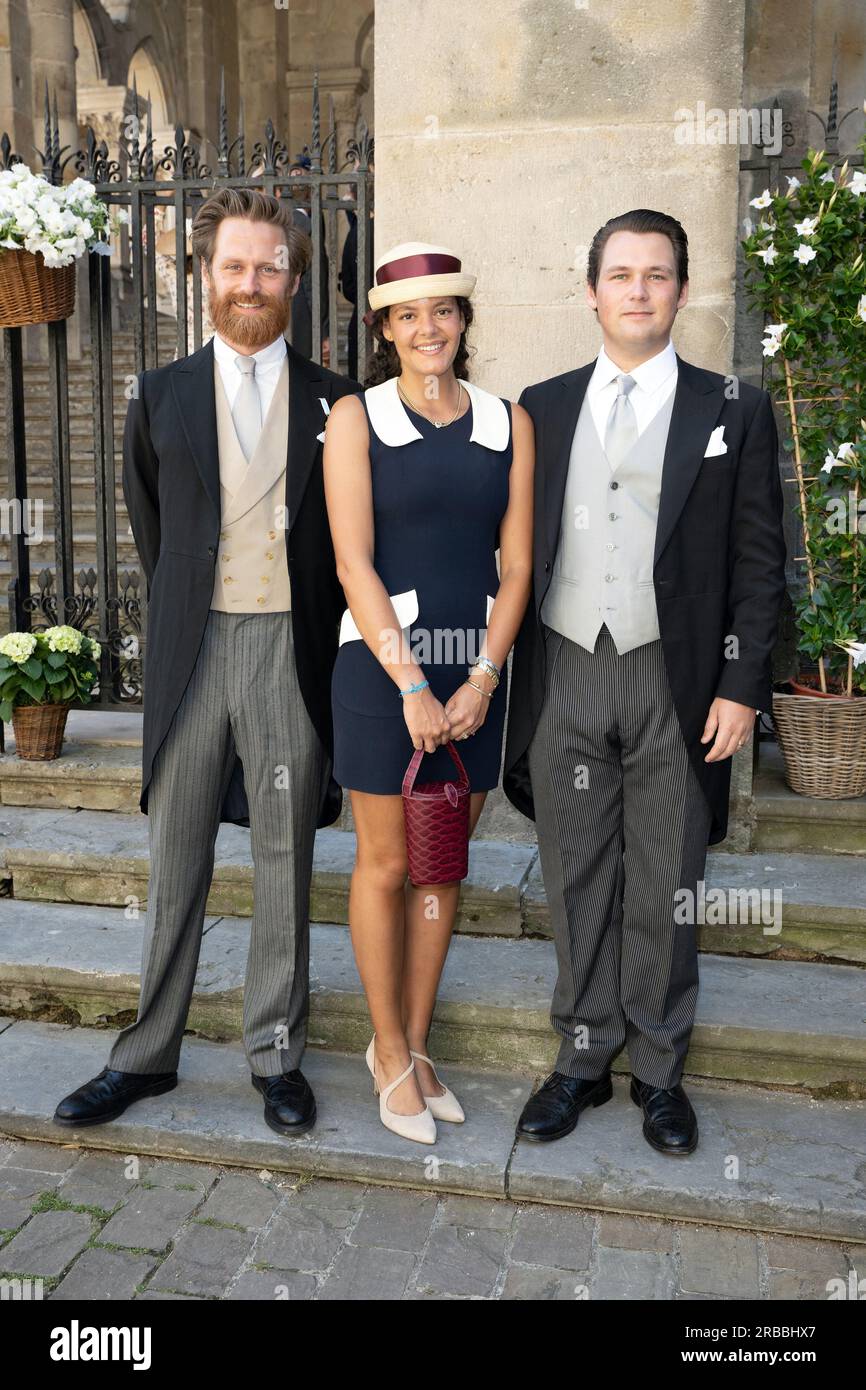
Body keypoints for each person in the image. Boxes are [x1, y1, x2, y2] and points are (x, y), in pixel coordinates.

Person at [53, 187, 360, 1139]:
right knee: (175, 850)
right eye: (234, 265)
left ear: (296, 282)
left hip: (291, 647)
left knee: (282, 854)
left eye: (271, 266)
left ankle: (276, 1055)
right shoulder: (162, 394)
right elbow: (155, 526)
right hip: (194, 650)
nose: (251, 283)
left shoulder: (335, 399)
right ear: (206, 275)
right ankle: (145, 1056)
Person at [503, 209, 786, 1155]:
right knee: (576, 872)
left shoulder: (733, 408)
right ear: (591, 292)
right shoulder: (538, 406)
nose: (637, 290)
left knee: (668, 881)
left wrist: (742, 687)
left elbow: (759, 558)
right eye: (620, 274)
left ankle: (660, 1071)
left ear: (681, 290)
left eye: (656, 275)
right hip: (568, 667)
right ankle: (582, 1059)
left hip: (679, 674)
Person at [323, 242, 534, 1143]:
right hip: (380, 669)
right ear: (384, 329)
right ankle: (386, 1049)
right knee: (386, 863)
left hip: (477, 674)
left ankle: (414, 1040)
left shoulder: (511, 423)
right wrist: (409, 680)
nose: (427, 328)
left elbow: (519, 565)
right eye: (407, 315)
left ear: (463, 321)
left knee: (442, 862)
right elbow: (350, 560)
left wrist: (485, 674)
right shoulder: (354, 418)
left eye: (442, 311)